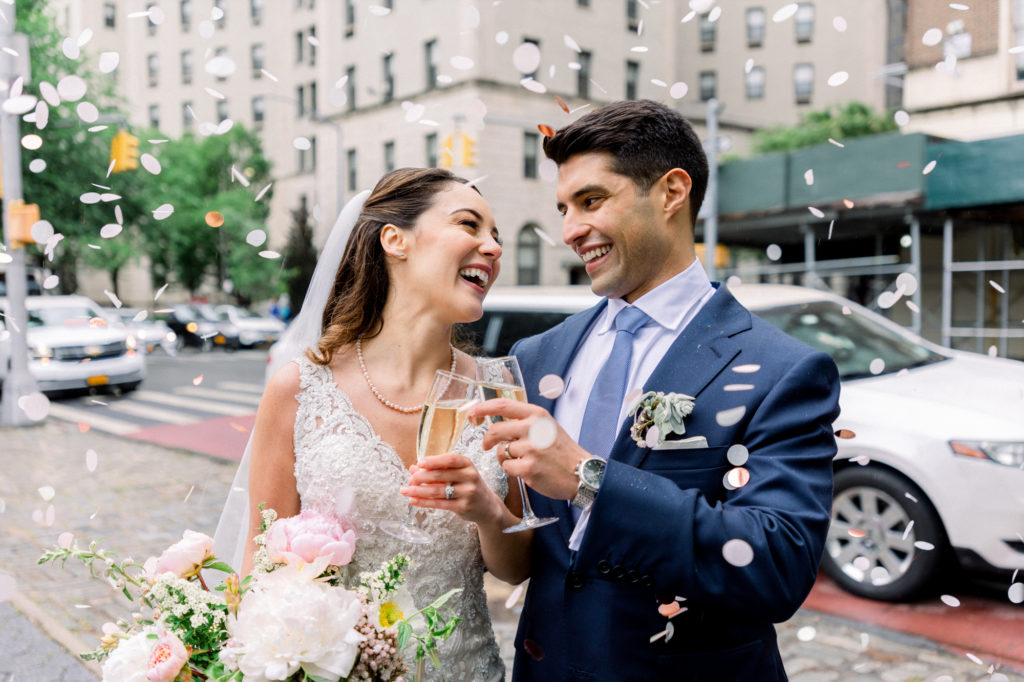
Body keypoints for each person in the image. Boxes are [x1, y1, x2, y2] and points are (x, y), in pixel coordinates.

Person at [470, 100, 841, 680]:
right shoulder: (536, 356)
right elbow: (536, 546)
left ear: (672, 192)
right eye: (564, 209)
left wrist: (590, 479)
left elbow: (777, 566)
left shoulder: (781, 370)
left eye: (592, 200)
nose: (570, 231)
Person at [213, 168, 531, 682]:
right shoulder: (299, 388)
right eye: (469, 225)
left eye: (496, 235)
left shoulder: (499, 389)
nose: (493, 247)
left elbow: (516, 569)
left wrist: (489, 513)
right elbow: (259, 562)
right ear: (395, 240)